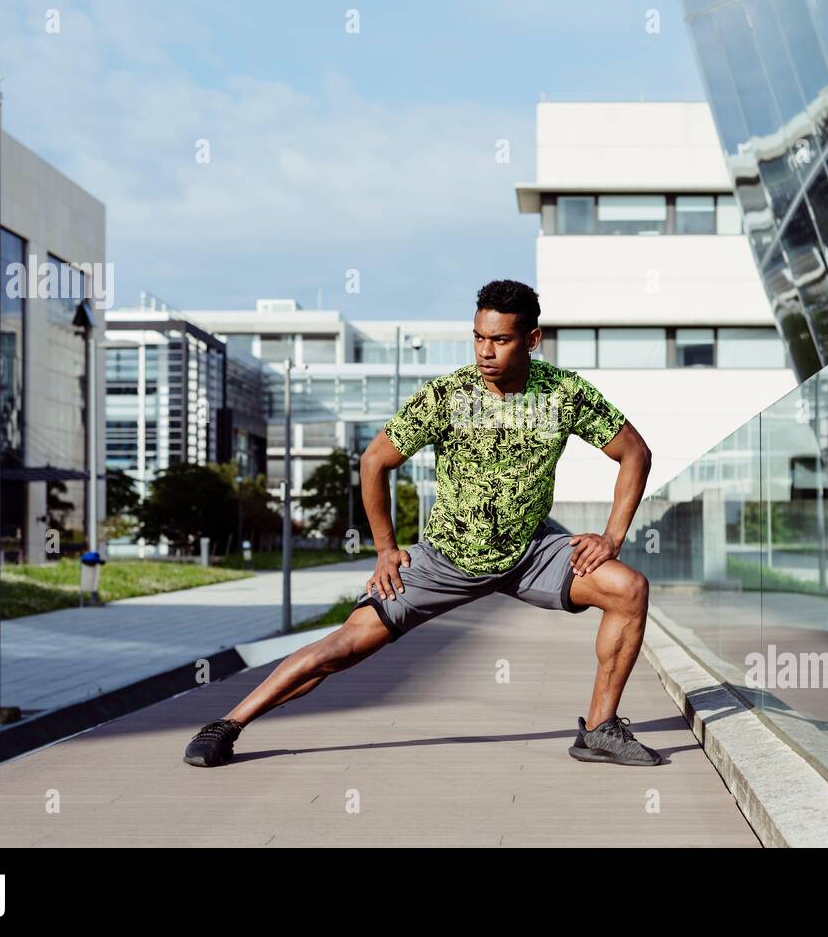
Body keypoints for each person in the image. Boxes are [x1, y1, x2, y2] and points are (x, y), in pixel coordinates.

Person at [183, 279, 662, 768]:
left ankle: (599, 729)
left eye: (500, 340)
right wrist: (386, 549)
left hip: (532, 553)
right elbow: (374, 462)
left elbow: (634, 453)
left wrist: (611, 536)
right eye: (478, 337)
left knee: (628, 589)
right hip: (446, 557)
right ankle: (227, 724)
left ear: (532, 340)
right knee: (345, 647)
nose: (485, 351)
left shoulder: (564, 393)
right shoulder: (447, 396)